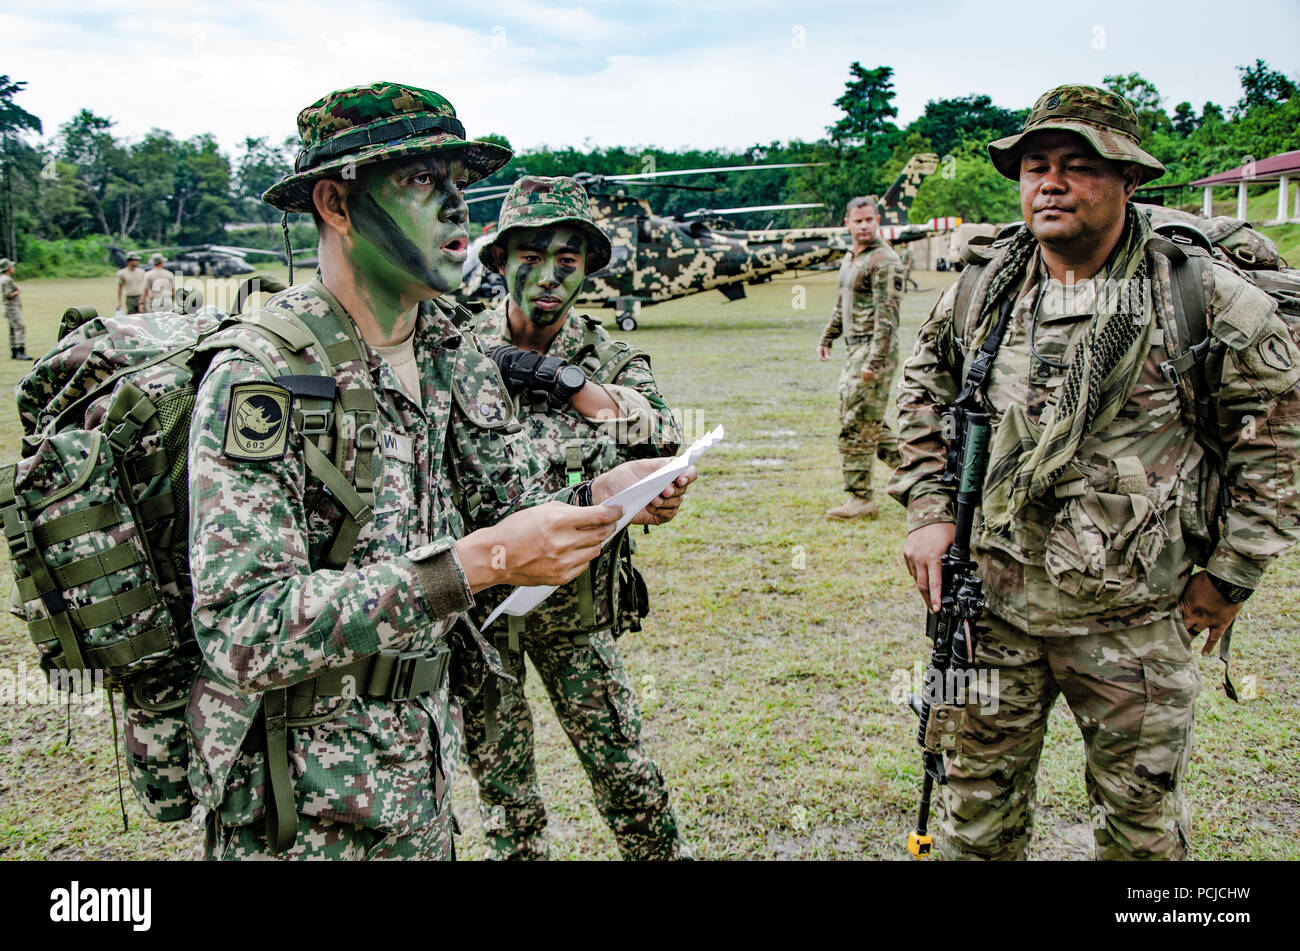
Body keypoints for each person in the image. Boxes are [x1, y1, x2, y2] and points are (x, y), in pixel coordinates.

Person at [186, 82, 695, 861]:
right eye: (424, 182)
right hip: (301, 809)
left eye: (460, 185)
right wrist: (471, 565)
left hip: (422, 785)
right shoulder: (266, 375)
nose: (458, 209)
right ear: (335, 202)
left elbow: (516, 503)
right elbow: (243, 631)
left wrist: (604, 496)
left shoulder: (448, 351)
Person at [888, 84, 1300, 860]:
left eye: (1078, 166)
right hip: (988, 614)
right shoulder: (985, 287)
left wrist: (1230, 576)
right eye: (1036, 165)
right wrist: (927, 506)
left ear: (1128, 180)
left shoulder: (1196, 295)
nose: (1050, 182)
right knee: (973, 822)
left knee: (1140, 832)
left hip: (1136, 620)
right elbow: (921, 391)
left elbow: (1277, 444)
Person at [461, 175, 688, 860]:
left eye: (569, 259)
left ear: (588, 269)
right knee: (506, 794)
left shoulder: (610, 357)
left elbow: (664, 443)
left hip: (577, 604)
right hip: (483, 608)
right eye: (530, 255)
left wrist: (655, 488)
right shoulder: (458, 354)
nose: (550, 275)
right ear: (499, 261)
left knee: (628, 776)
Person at [817, 196, 905, 520]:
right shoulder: (852, 257)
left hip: (873, 348)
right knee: (868, 421)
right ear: (848, 223)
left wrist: (875, 360)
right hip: (855, 348)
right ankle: (921, 481)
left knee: (855, 424)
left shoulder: (884, 260)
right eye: (858, 221)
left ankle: (860, 498)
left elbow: (888, 316)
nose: (864, 226)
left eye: (870, 220)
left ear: (878, 220)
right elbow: (844, 303)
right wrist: (828, 336)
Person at [0, 257, 30, 360]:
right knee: (19, 327)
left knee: (12, 329)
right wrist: (18, 291)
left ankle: (14, 351)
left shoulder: (3, 278)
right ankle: (20, 351)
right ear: (8, 268)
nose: (13, 268)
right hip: (12, 307)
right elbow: (8, 294)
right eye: (11, 266)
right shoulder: (7, 280)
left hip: (8, 308)